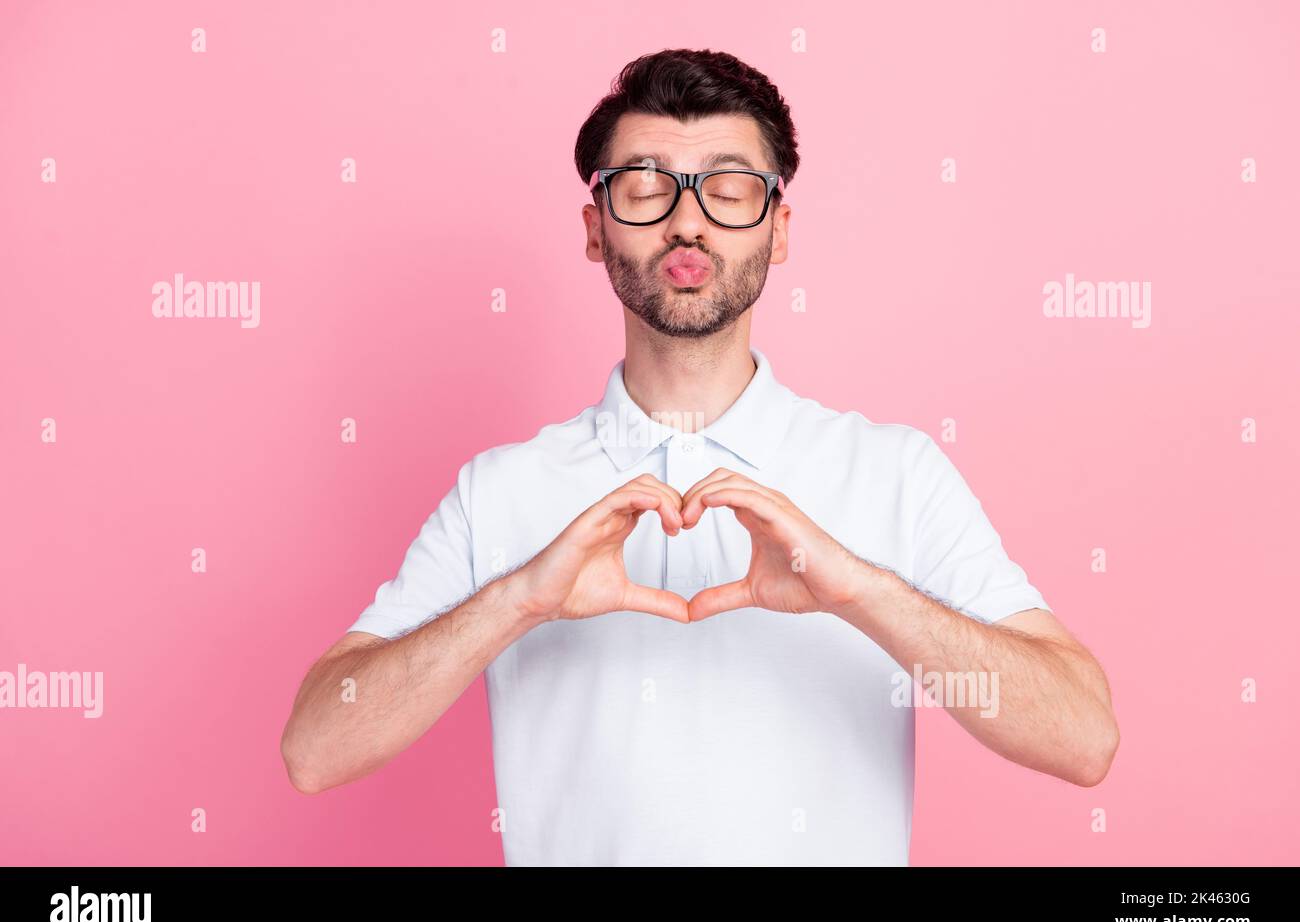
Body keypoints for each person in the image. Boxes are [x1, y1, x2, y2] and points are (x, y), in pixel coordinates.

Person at [280, 48, 1119, 866]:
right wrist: (518, 600)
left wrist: (858, 590)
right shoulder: (501, 491)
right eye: (645, 186)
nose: (687, 221)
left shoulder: (895, 473)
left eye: (728, 188)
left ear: (778, 229)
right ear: (594, 226)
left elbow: (1083, 738)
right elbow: (314, 750)